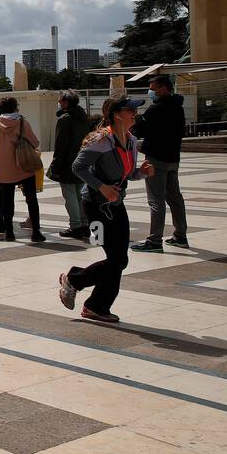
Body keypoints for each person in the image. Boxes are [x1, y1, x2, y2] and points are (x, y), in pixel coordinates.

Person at [59, 95, 153, 323]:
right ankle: (75, 281)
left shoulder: (130, 140)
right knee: (117, 260)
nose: (135, 113)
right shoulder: (100, 139)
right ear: (117, 114)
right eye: (131, 110)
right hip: (95, 206)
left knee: (118, 259)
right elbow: (78, 167)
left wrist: (141, 172)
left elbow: (127, 173)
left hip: (115, 204)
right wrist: (101, 187)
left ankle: (96, 305)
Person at [130, 74, 189, 252]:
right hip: (173, 158)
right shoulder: (178, 108)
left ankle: (154, 240)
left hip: (156, 158)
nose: (151, 92)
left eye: (153, 88)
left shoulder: (156, 109)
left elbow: (138, 130)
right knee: (175, 198)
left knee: (156, 199)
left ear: (164, 88)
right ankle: (180, 236)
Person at [0, 97, 44, 243]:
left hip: (4, 169)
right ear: (15, 107)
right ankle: (36, 232)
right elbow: (35, 142)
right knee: (31, 200)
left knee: (8, 201)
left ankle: (9, 232)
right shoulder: (22, 122)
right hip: (23, 166)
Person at [48, 91, 90, 239]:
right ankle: (85, 224)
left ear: (66, 102)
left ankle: (76, 225)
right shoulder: (84, 117)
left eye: (60, 101)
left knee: (70, 195)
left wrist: (55, 165)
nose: (59, 103)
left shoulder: (65, 119)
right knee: (80, 194)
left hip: (67, 162)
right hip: (83, 160)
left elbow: (60, 145)